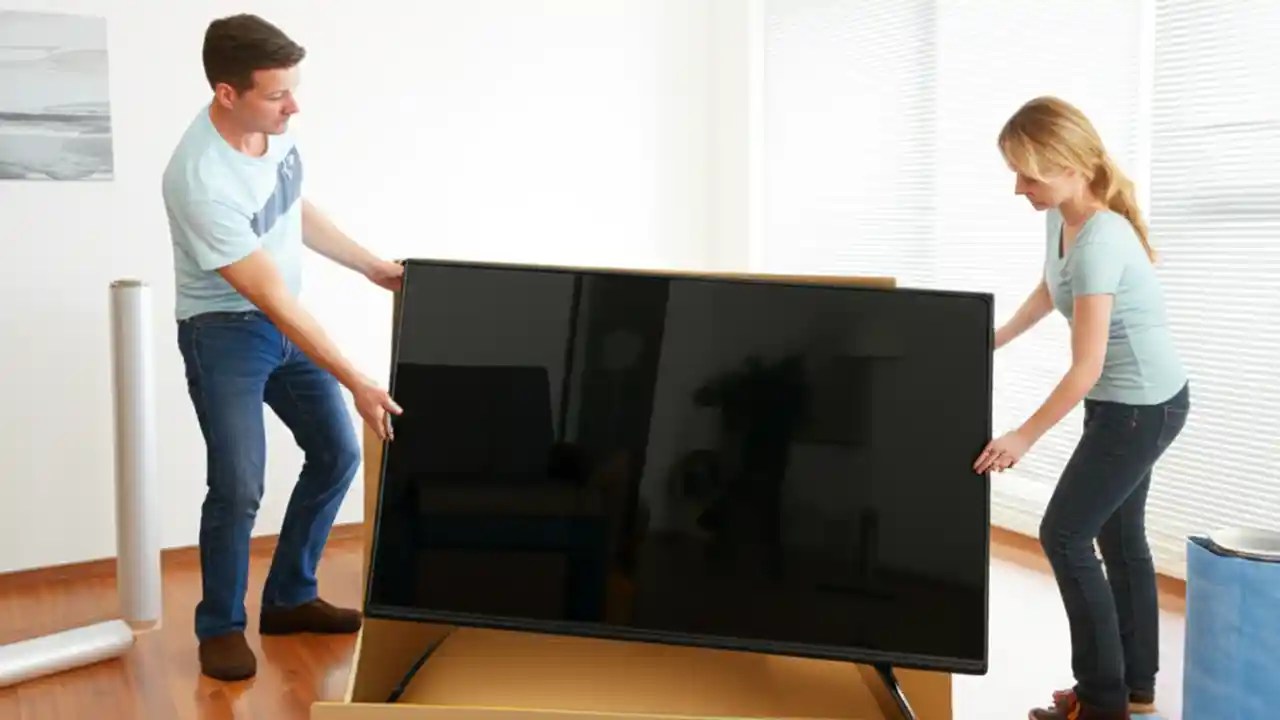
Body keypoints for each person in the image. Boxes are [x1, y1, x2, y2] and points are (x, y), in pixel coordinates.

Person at [162, 13, 404, 681]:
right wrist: (356, 379)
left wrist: (370, 266)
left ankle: (291, 597)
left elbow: (292, 205)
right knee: (239, 484)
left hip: (282, 323)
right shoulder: (199, 179)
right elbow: (270, 296)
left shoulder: (270, 133)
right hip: (224, 335)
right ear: (227, 93)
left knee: (336, 453)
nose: (293, 106)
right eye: (277, 95)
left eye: (292, 89)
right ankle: (220, 627)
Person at [972, 96, 1190, 720]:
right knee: (1119, 535)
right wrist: (994, 338)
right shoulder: (1061, 218)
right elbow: (1051, 286)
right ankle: (1136, 687)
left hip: (1140, 408)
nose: (1019, 188)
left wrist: (1022, 436)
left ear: (1070, 167)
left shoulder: (1102, 239)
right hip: (1127, 402)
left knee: (1064, 534)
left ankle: (1101, 703)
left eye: (1028, 175)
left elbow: (1085, 367)